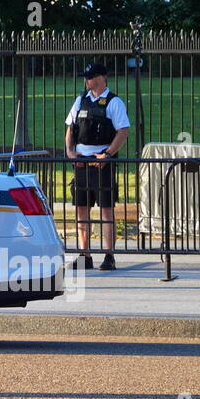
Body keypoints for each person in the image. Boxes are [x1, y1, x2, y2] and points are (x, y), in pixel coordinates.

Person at [63, 62, 129, 271]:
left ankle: (109, 255)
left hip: (102, 163)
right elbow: (71, 128)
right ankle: (85, 255)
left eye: (90, 77)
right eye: (86, 77)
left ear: (101, 77)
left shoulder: (113, 102)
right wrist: (69, 151)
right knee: (81, 209)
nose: (86, 80)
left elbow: (123, 131)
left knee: (106, 210)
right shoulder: (80, 100)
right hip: (82, 161)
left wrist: (107, 154)